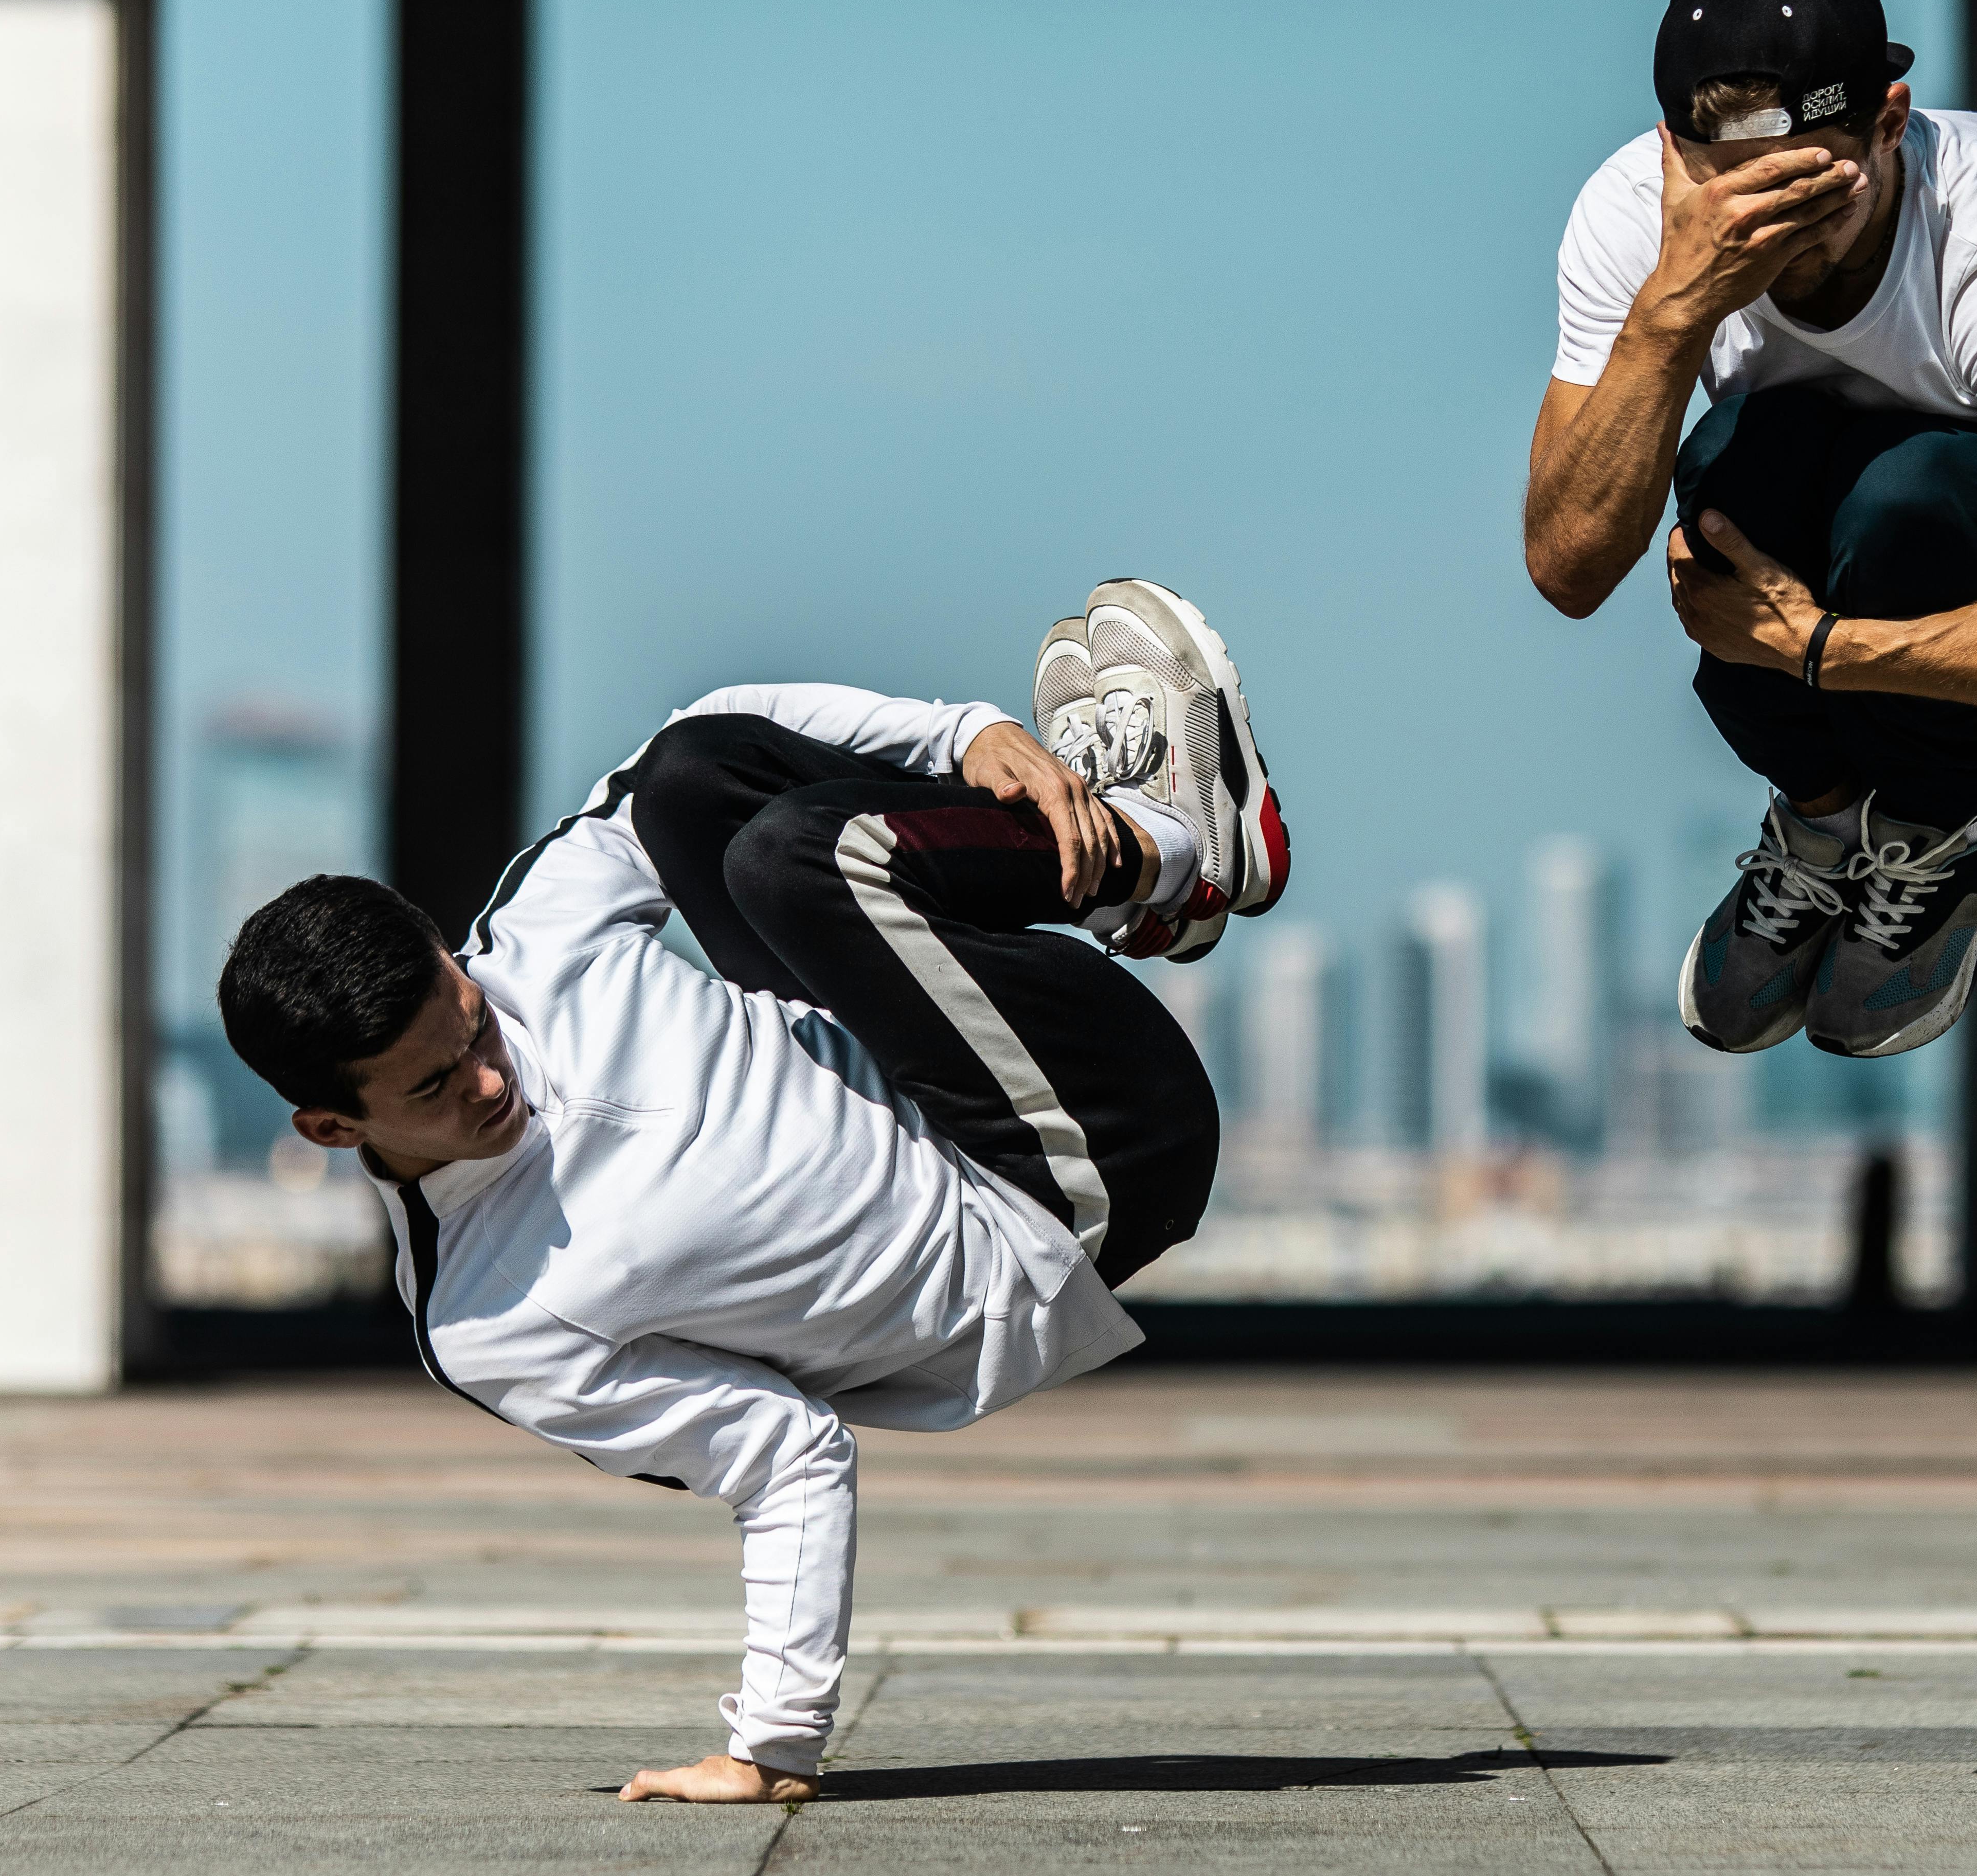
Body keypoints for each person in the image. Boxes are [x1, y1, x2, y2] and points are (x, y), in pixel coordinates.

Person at [214, 580, 1285, 1804]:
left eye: (471, 1023)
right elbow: (781, 1454)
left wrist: (960, 735)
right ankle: (1171, 844)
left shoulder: (543, 934)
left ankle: (1138, 857)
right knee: (806, 857)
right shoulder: (488, 1318)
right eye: (434, 1085)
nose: (491, 1076)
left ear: (454, 961)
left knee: (691, 781)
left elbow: (707, 723)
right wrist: (768, 1746)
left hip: (969, 1038)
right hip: (1056, 1186)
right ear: (331, 1124)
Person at [1523, 0, 1977, 1061]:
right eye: (1734, 188)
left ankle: (1943, 825)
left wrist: (1822, 650)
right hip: (1818, 554)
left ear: (1888, 123)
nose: (1774, 228)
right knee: (1724, 469)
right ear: (1671, 152)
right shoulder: (1631, 220)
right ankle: (1819, 815)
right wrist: (1674, 310)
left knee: (1906, 490)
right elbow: (1568, 565)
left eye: (1809, 184)